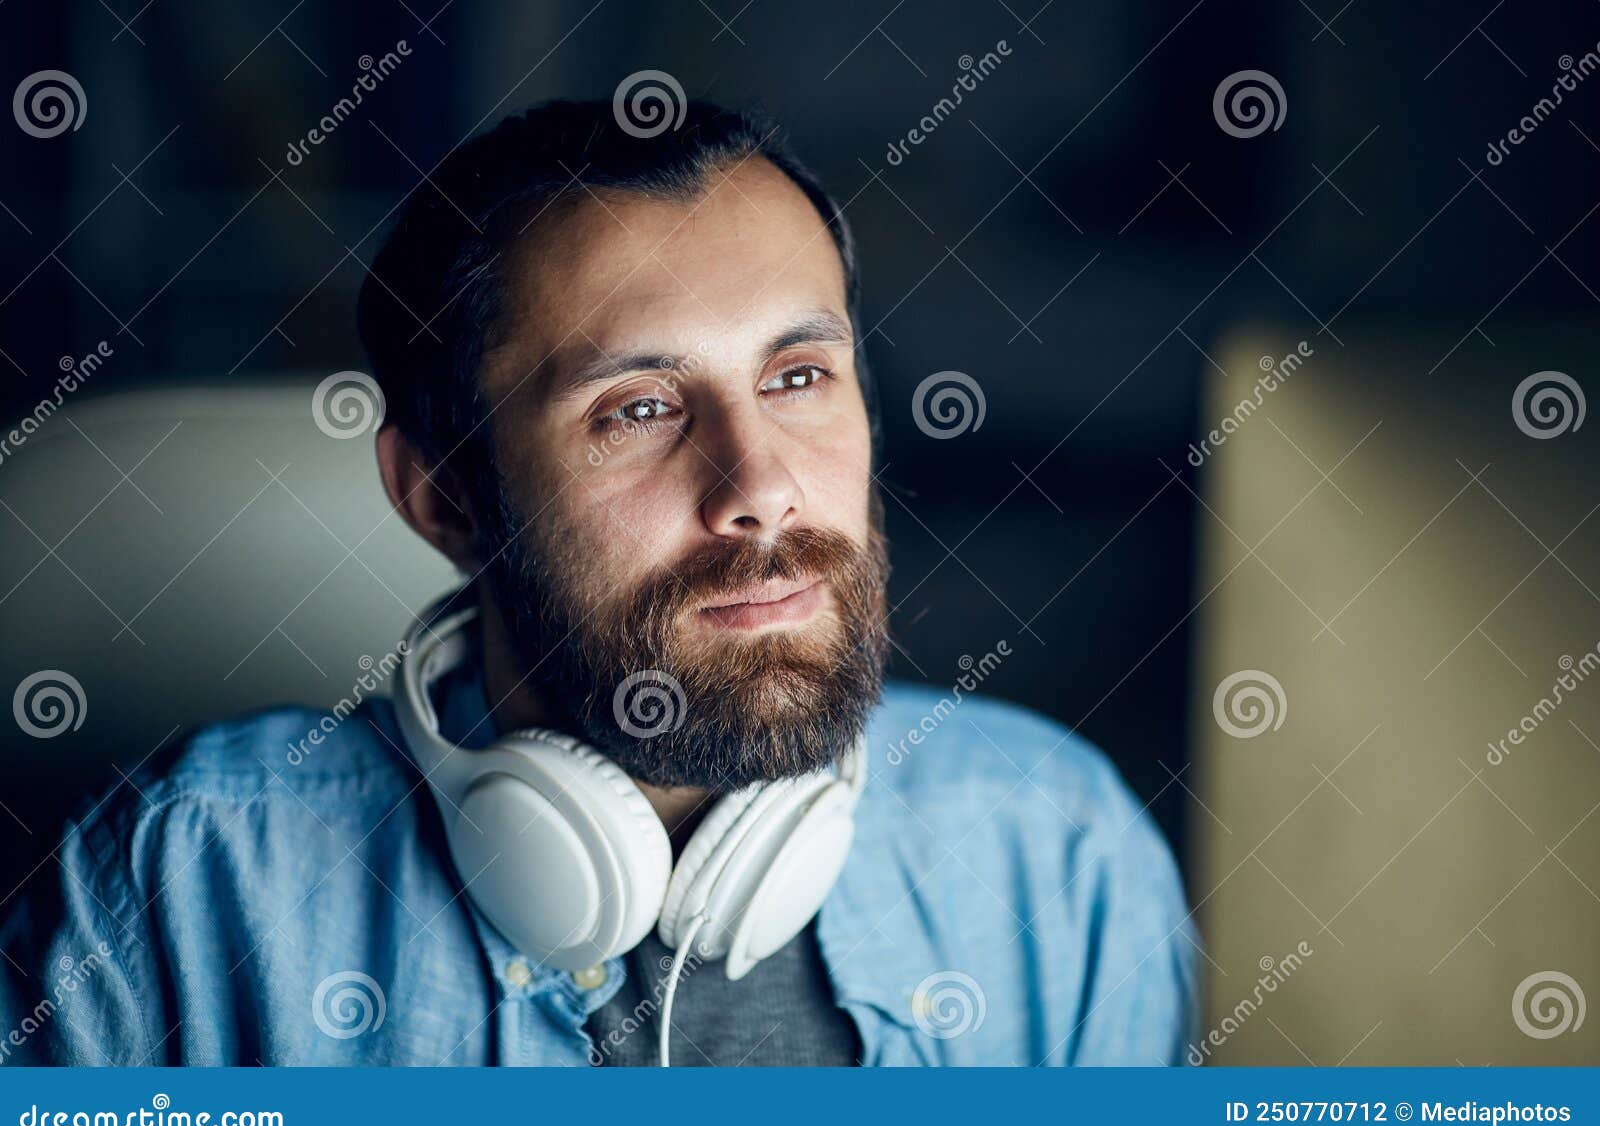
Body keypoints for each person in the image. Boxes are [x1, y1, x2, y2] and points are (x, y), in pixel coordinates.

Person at [0, 99, 1195, 1066]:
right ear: (446, 499)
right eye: (639, 407)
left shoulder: (1057, 854)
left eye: (797, 377)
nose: (760, 488)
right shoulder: (180, 892)